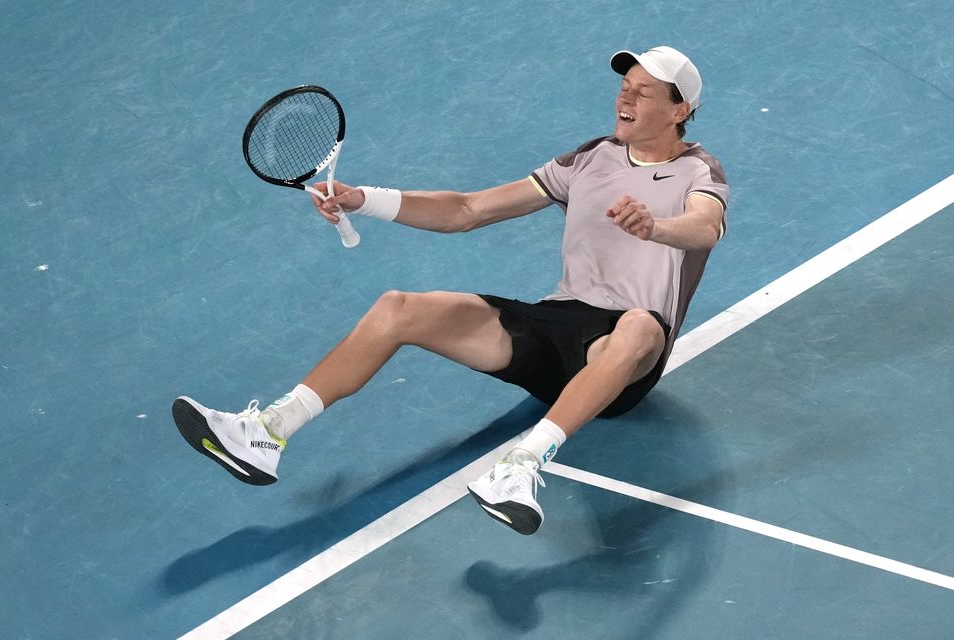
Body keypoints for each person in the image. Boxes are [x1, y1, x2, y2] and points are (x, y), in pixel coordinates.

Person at [172, 46, 729, 536]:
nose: (624, 99)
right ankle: (268, 433)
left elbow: (704, 227)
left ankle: (521, 466)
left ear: (680, 110)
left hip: (626, 354)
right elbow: (468, 209)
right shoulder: (590, 157)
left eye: (643, 92)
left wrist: (654, 227)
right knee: (399, 309)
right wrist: (364, 197)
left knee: (635, 327)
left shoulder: (698, 170)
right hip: (555, 327)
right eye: (623, 87)